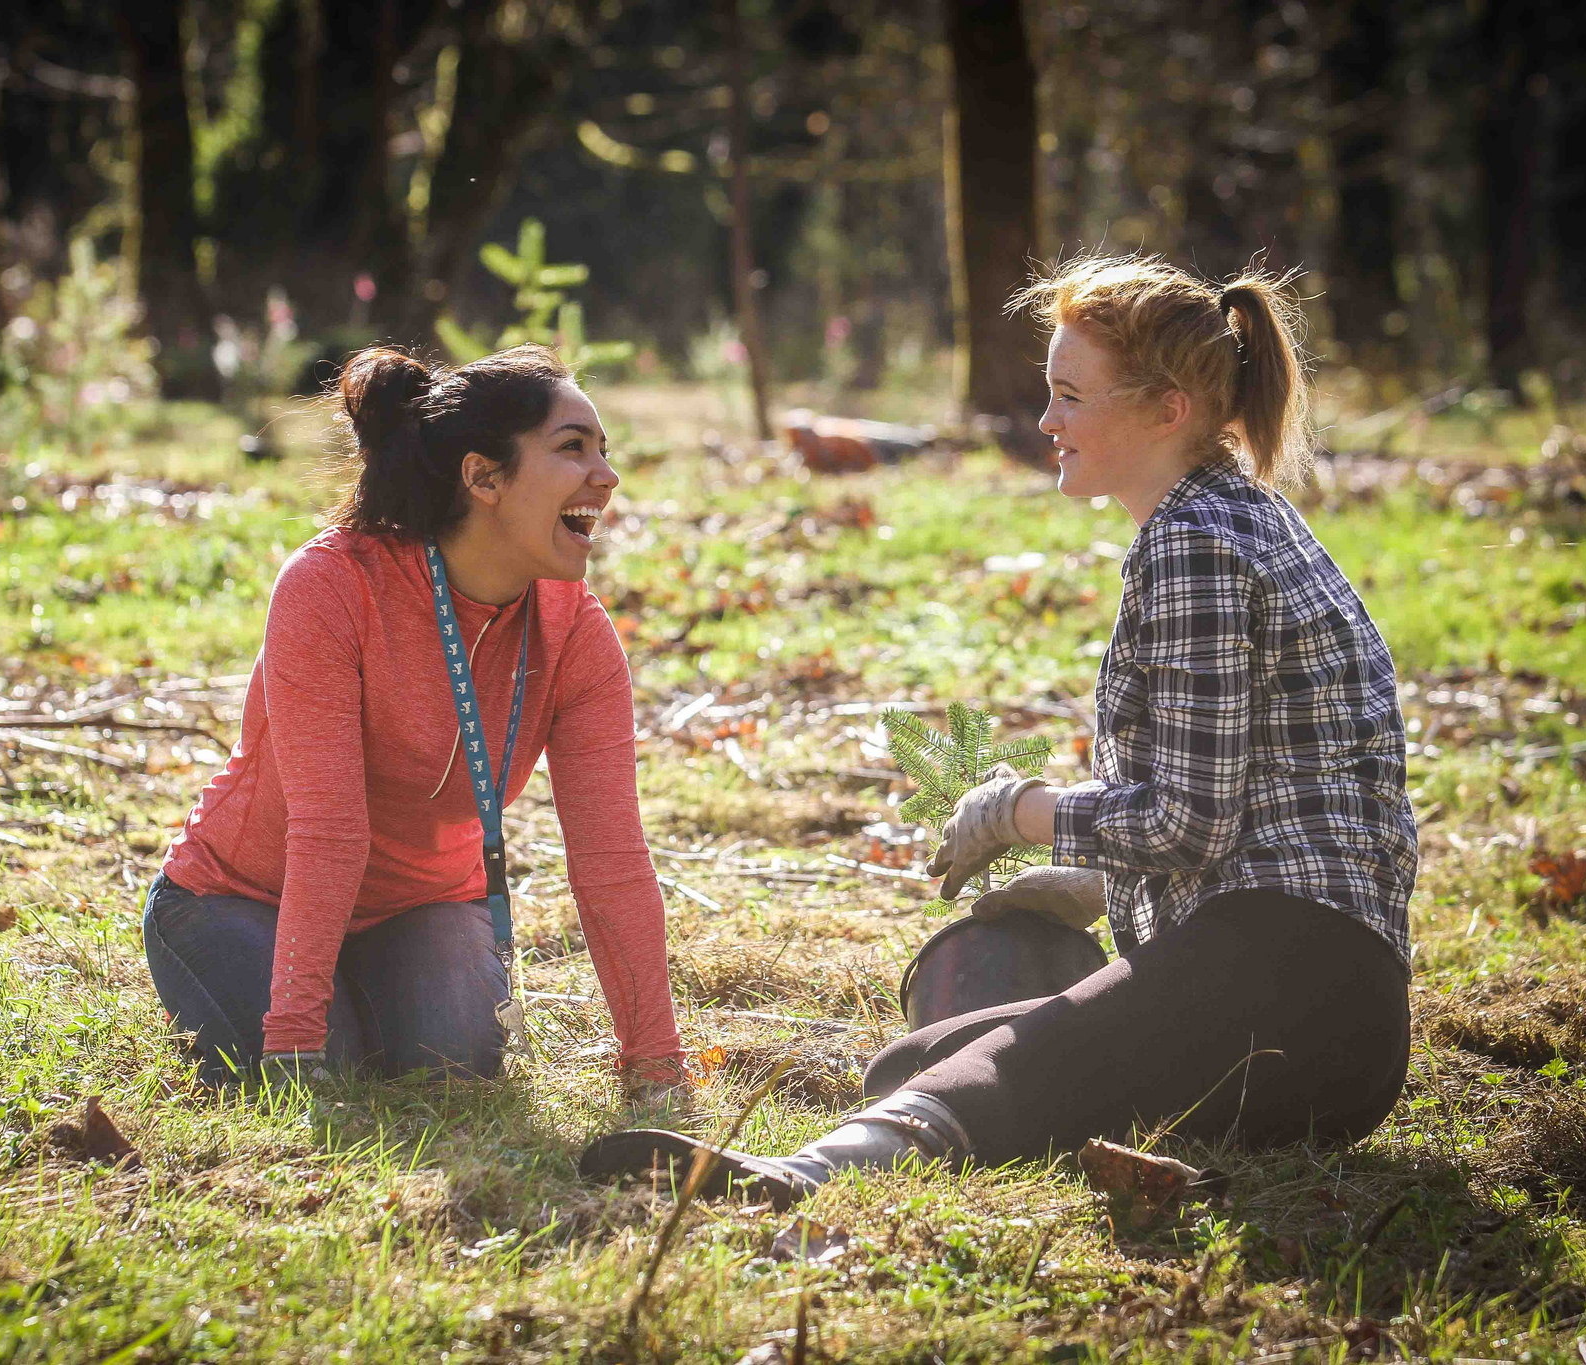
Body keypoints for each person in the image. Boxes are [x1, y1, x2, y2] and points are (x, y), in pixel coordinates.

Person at [581, 254, 1418, 1206]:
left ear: (1167, 409)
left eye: (1070, 396)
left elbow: (1194, 824)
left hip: (1296, 985)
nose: (1048, 421)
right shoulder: (1224, 517)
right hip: (1276, 975)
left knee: (1014, 1066)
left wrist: (1023, 811)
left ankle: (798, 1176)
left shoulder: (1196, 543)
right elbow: (1252, 794)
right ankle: (993, 1081)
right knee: (915, 1056)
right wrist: (1104, 876)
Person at [144, 343, 686, 1101]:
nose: (606, 475)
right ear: (483, 476)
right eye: (573, 448)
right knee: (321, 1074)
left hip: (421, 906)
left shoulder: (578, 636)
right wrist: (299, 1040)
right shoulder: (331, 586)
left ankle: (359, 998)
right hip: (242, 894)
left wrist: (655, 1067)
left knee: (453, 1063)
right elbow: (329, 828)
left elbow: (613, 860)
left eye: (605, 450)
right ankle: (311, 1005)